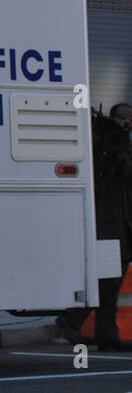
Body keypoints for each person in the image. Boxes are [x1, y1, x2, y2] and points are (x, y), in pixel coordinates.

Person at [62, 103, 132, 349]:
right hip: (105, 225)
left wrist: (119, 152)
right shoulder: (95, 147)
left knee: (111, 282)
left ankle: (105, 333)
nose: (127, 124)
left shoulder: (123, 147)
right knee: (104, 280)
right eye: (124, 119)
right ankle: (70, 321)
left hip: (121, 225)